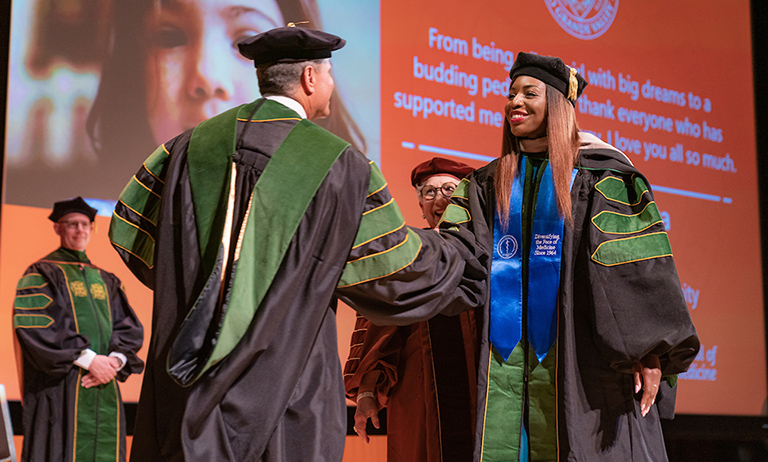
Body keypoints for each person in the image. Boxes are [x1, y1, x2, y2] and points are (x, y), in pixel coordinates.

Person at [108, 26, 484, 461]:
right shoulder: (341, 165)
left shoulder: (185, 146)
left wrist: (202, 288)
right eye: (328, 75)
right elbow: (393, 273)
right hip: (286, 387)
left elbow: (129, 232)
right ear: (310, 78)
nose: (330, 86)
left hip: (184, 379)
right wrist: (463, 250)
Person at [436, 52, 700, 461]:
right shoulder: (486, 184)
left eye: (529, 92)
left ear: (559, 104)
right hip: (508, 372)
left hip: (582, 364)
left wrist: (652, 351)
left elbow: (635, 275)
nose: (514, 102)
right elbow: (459, 258)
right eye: (511, 94)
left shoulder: (603, 177)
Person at [84, 0, 366, 198]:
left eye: (245, 38)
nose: (207, 78)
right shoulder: (141, 195)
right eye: (170, 37)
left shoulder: (341, 173)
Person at [344, 157, 478, 461]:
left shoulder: (488, 256)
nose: (439, 198)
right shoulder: (407, 255)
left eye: (449, 190)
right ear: (420, 205)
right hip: (419, 396)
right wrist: (366, 393)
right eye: (429, 192)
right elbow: (375, 331)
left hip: (482, 397)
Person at [12, 197, 144, 462]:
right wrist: (90, 360)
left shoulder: (107, 279)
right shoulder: (42, 273)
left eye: (85, 224)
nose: (80, 230)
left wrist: (114, 362)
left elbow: (128, 329)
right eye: (72, 224)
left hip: (104, 383)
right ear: (58, 228)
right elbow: (38, 327)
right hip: (62, 386)